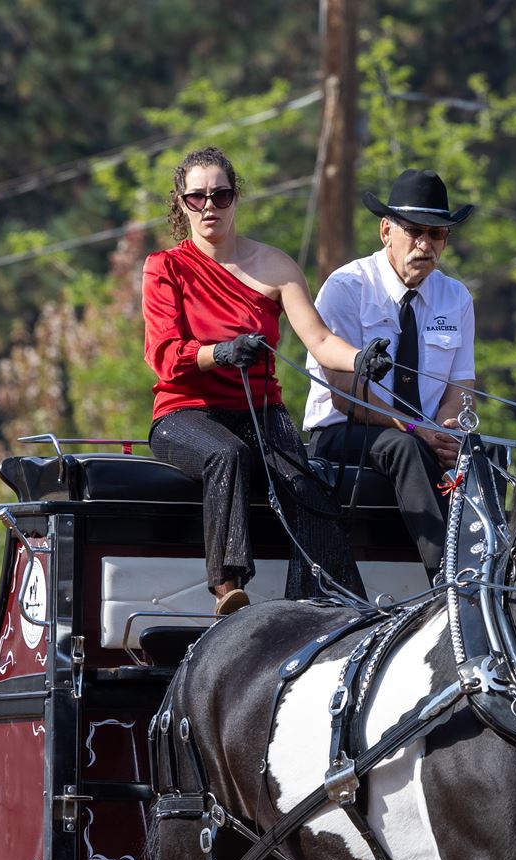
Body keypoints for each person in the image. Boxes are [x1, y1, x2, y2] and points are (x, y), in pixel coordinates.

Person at [142, 145, 392, 614]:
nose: (209, 206)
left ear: (237, 199)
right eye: (197, 198)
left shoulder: (275, 266)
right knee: (228, 455)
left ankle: (324, 605)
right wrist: (221, 352)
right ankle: (228, 587)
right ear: (181, 203)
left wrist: (361, 359)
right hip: (184, 414)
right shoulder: (165, 267)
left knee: (309, 488)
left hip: (260, 412)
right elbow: (163, 357)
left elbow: (319, 341)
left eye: (220, 195)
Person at [303, 169, 477, 578]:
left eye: (436, 235)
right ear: (386, 231)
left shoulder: (456, 297)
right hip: (343, 433)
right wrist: (417, 430)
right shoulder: (347, 286)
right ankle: (450, 578)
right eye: (414, 231)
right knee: (405, 447)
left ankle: (503, 575)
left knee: (487, 457)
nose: (425, 244)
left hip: (425, 435)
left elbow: (462, 387)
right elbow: (346, 394)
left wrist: (450, 431)